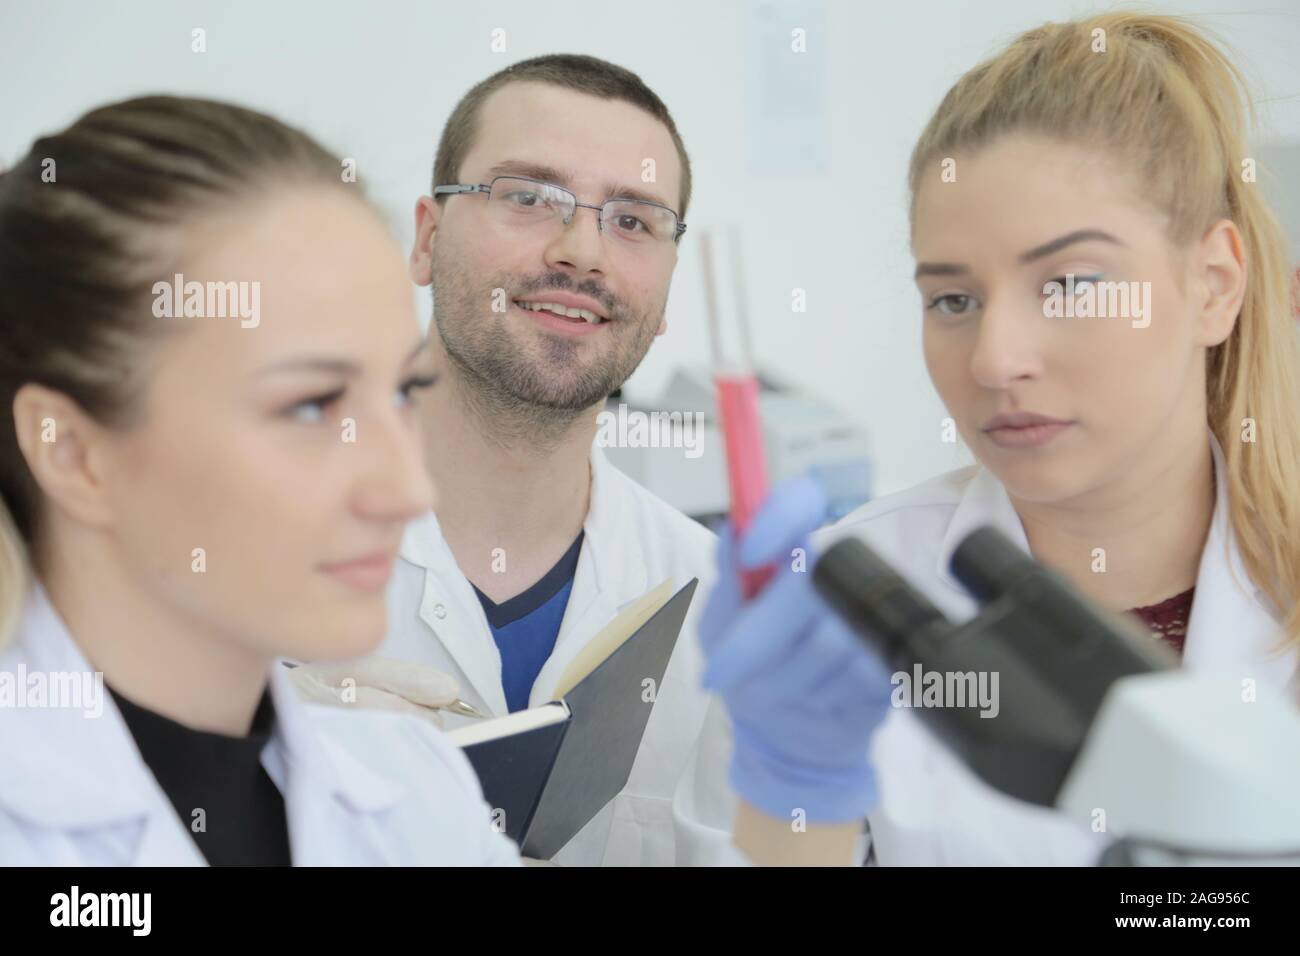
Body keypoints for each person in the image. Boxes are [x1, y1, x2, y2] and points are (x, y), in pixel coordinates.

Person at [679, 11, 1300, 866]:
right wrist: (794, 785)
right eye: (953, 300)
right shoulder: (832, 624)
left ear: (1213, 286)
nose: (997, 359)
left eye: (1070, 284)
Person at [0, 95, 520, 865]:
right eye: (311, 405)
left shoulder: (418, 791)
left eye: (405, 391)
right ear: (73, 452)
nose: (408, 492)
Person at [292, 54, 719, 866]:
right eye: (529, 197)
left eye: (634, 220)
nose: (582, 251)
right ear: (426, 238)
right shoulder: (230, 549)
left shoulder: (719, 606)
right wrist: (246, 762)